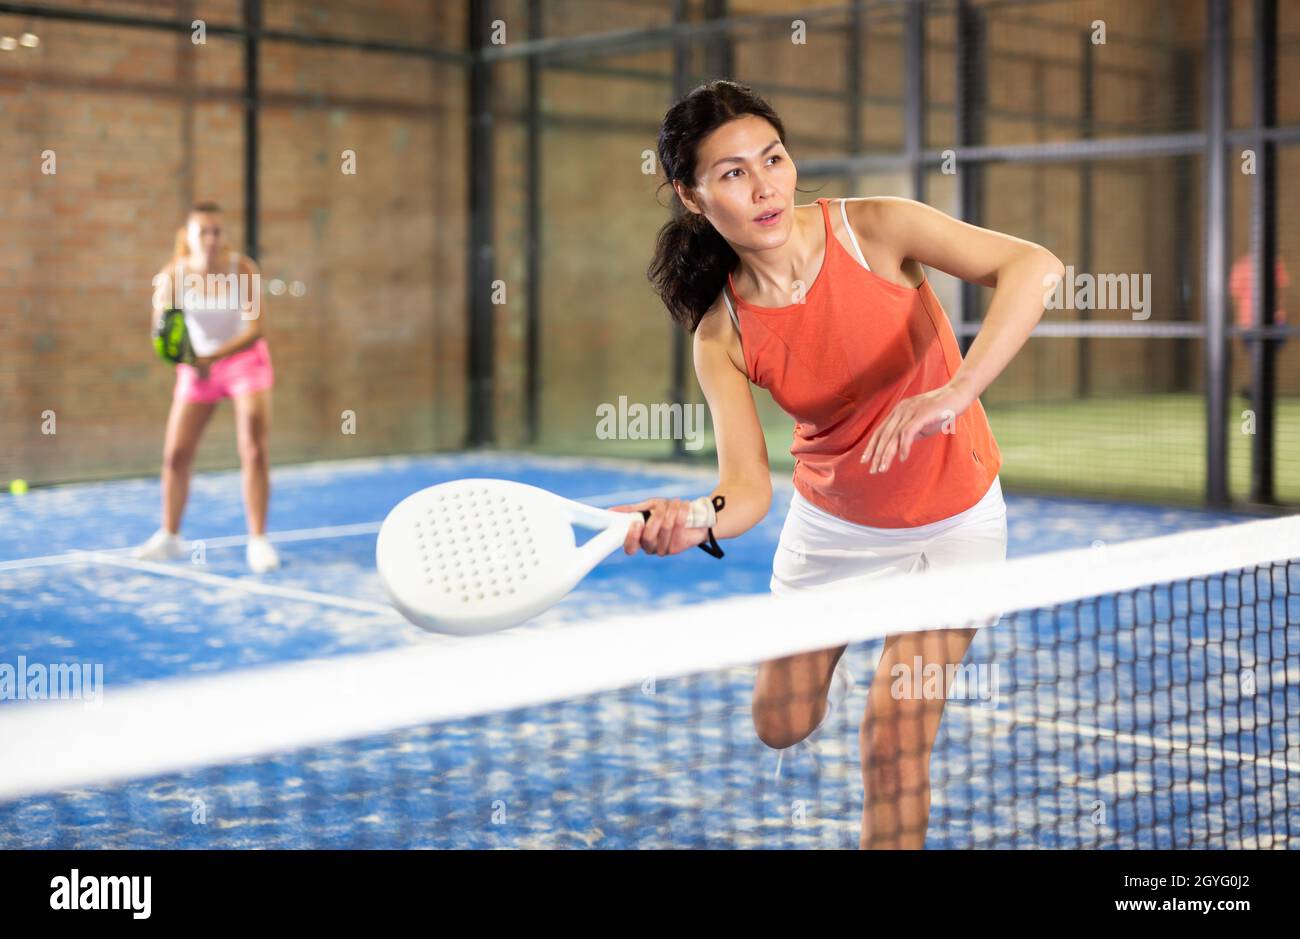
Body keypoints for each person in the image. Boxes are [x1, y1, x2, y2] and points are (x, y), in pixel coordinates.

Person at [612, 80, 1062, 849]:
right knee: (781, 723)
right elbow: (747, 490)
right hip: (835, 529)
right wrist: (693, 519)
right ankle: (841, 650)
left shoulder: (877, 229)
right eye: (732, 173)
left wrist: (953, 394)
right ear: (691, 197)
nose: (765, 187)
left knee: (893, 743)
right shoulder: (720, 334)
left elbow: (1036, 267)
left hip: (954, 526)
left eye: (774, 158)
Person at [133, 202, 280, 573]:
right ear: (189, 236)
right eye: (204, 232)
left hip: (244, 363)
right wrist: (185, 360)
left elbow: (255, 329)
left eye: (218, 231)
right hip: (197, 369)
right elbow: (162, 331)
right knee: (175, 456)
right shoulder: (173, 275)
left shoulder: (242, 269)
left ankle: (258, 540)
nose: (212, 238)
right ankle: (170, 535)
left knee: (253, 449)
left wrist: (209, 359)